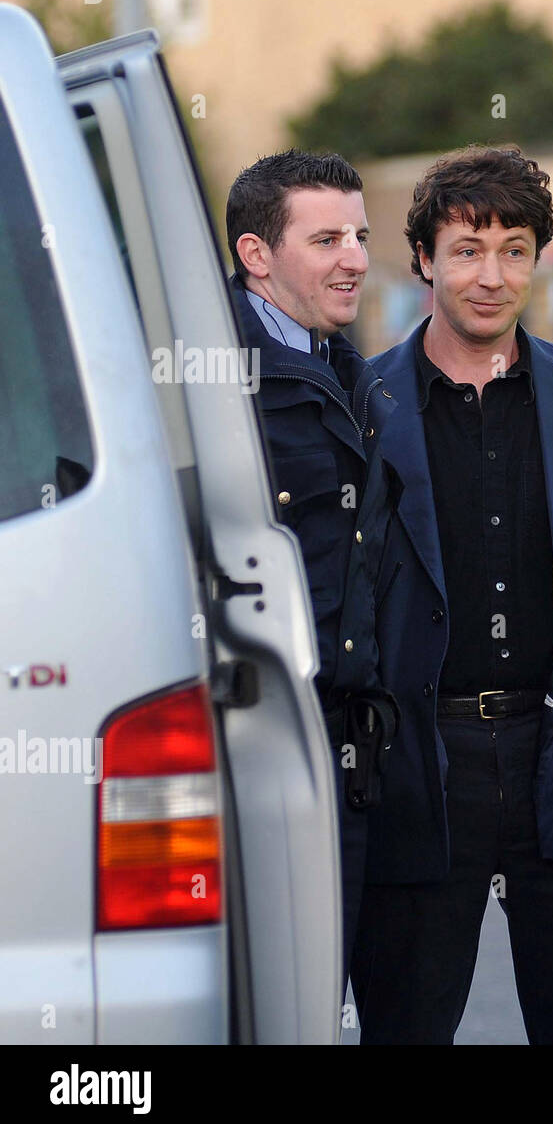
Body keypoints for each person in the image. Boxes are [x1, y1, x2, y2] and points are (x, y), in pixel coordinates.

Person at [351, 145, 553, 1045]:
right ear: (424, 259)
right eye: (467, 250)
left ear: (538, 259)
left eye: (514, 250)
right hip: (421, 764)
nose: (491, 276)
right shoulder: (362, 399)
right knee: (405, 1028)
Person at [226, 150, 400, 992]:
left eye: (359, 236)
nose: (355, 258)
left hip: (349, 752)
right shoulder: (211, 383)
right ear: (257, 255)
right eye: (327, 239)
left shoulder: (347, 369)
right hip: (260, 753)